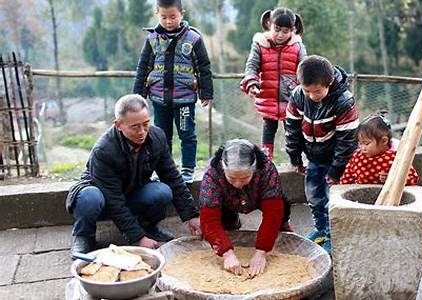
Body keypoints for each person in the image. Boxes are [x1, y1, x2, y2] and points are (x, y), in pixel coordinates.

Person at [66, 94, 201, 255]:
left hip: (131, 193)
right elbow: (113, 200)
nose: (142, 132)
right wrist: (137, 238)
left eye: (145, 124)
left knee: (162, 191)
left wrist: (191, 216)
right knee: (90, 197)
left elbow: (172, 177)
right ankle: (84, 236)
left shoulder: (157, 136)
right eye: (135, 127)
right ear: (118, 125)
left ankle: (148, 226)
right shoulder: (104, 150)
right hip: (103, 200)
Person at [133, 0, 213, 184]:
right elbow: (143, 66)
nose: (168, 21)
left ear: (181, 14)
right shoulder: (152, 39)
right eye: (164, 17)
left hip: (184, 100)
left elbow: (203, 67)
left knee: (187, 134)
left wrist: (206, 93)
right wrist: (139, 94)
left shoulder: (193, 39)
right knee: (161, 136)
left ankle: (187, 169)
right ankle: (165, 170)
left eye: (173, 17)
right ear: (157, 15)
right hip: (159, 99)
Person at [285, 55, 359, 253]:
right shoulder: (298, 95)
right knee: (314, 196)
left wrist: (336, 171)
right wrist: (295, 156)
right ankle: (321, 230)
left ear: (330, 82)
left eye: (317, 91)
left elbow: (347, 141)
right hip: (313, 158)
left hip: (336, 161)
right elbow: (291, 127)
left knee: (332, 199)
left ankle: (333, 235)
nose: (311, 96)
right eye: (307, 90)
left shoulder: (344, 102)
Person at [199, 139, 292, 277]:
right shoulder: (212, 174)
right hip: (227, 202)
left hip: (257, 197)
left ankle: (283, 226)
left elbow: (272, 212)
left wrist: (261, 252)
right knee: (220, 225)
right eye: (232, 178)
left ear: (254, 169)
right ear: (223, 168)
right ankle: (231, 223)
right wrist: (226, 253)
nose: (237, 183)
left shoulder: (266, 168)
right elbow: (209, 217)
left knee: (281, 205)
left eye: (244, 178)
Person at [240, 7, 306, 160]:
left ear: (293, 29)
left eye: (285, 31)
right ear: (269, 24)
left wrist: (307, 89)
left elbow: (304, 67)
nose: (280, 35)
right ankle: (266, 161)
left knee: (293, 131)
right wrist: (252, 83)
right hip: (268, 94)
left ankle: (296, 160)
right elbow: (252, 66)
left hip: (292, 98)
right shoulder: (259, 44)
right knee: (268, 129)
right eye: (277, 29)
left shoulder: (298, 46)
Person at [340, 113, 419, 185]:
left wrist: (391, 179)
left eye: (366, 143)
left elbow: (413, 178)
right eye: (360, 143)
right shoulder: (357, 157)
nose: (362, 148)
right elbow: (346, 180)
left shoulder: (396, 157)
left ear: (384, 141)